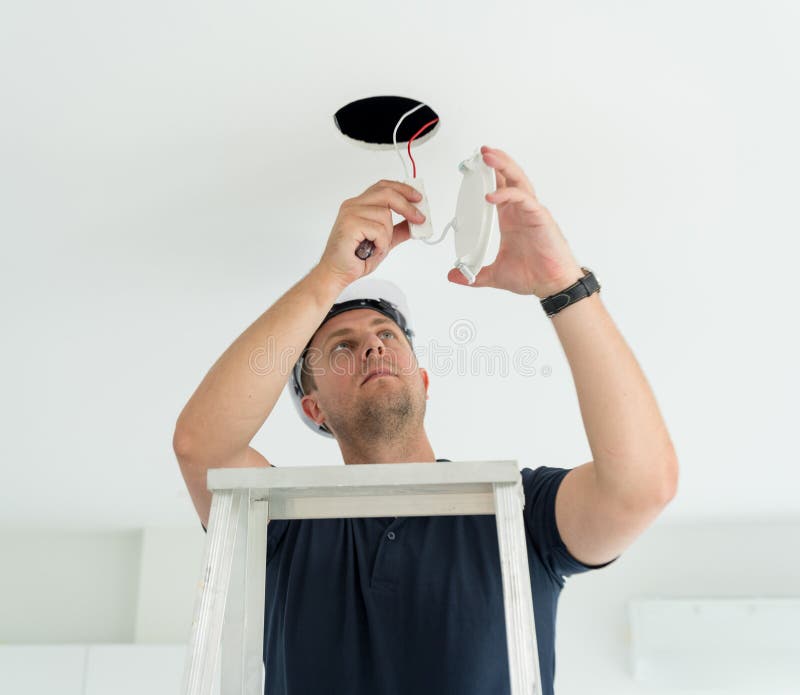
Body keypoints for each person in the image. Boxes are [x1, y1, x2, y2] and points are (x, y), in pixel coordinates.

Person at [173, 145, 679, 695]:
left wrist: (563, 285)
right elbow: (203, 446)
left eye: (387, 336)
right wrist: (328, 278)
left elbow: (641, 487)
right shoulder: (284, 527)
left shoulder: (514, 509)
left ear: (424, 381)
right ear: (314, 407)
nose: (372, 347)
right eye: (342, 346)